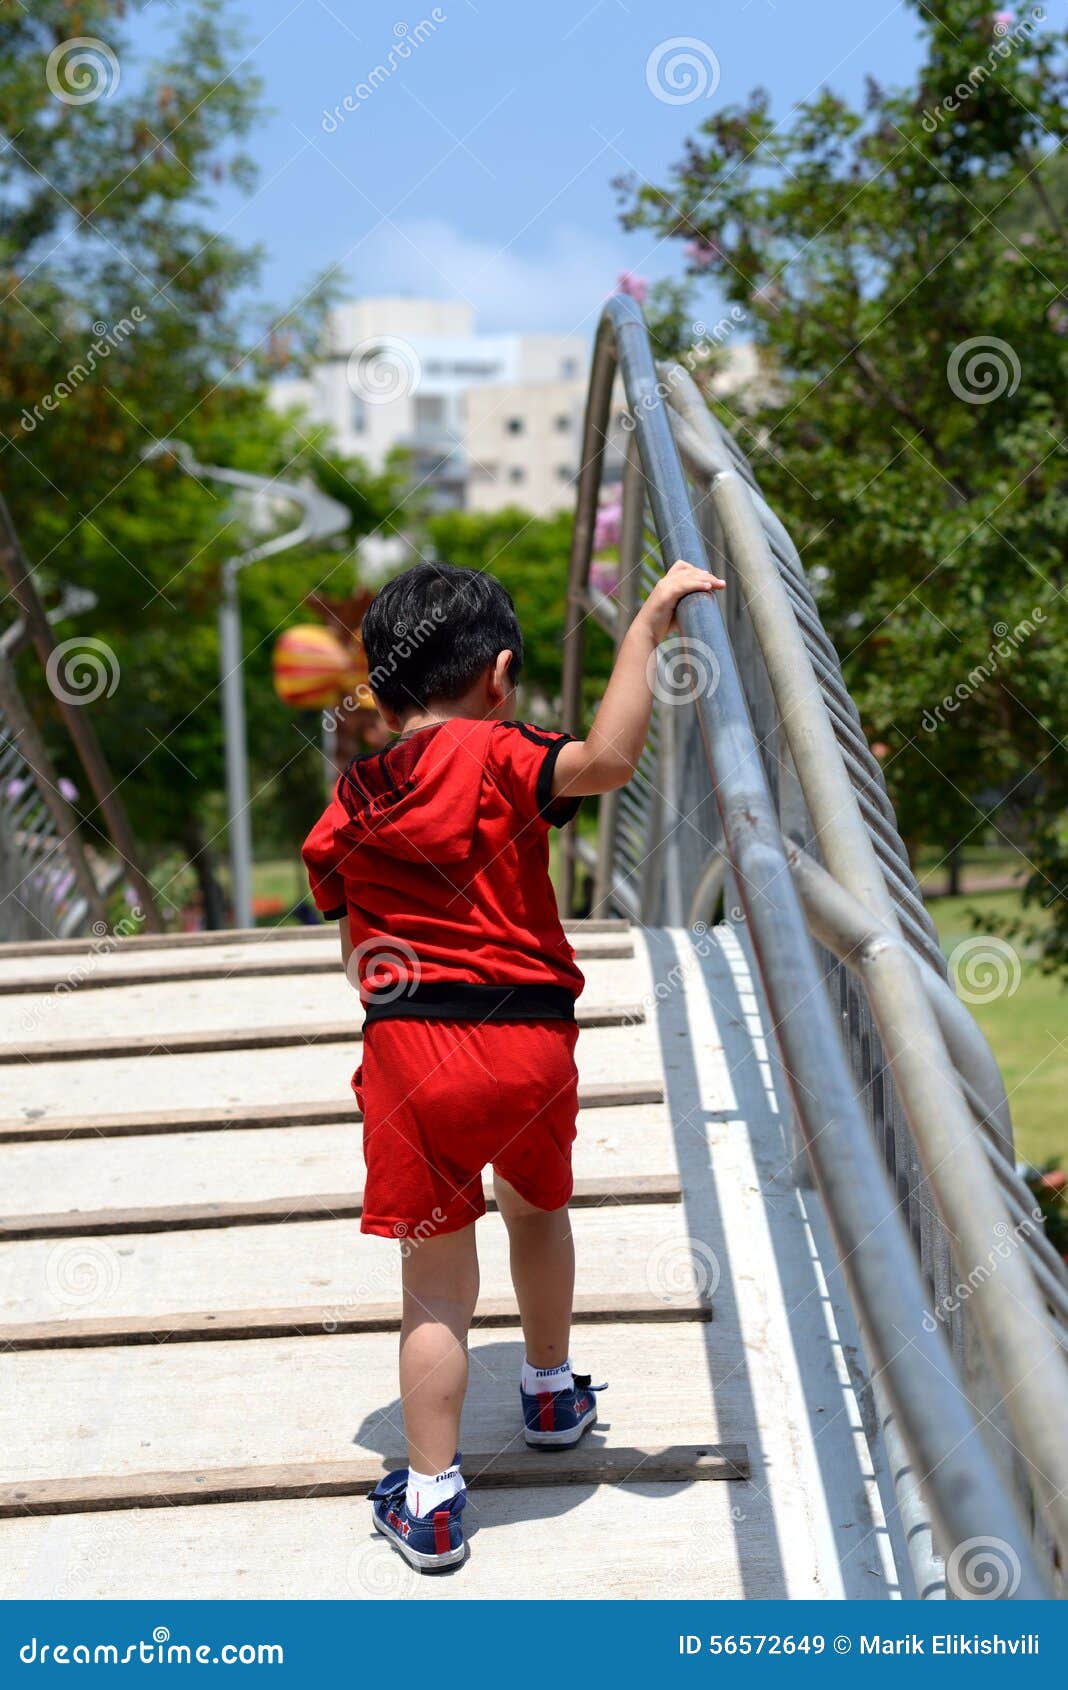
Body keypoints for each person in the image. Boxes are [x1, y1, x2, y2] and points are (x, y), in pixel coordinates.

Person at [301, 555, 723, 1572]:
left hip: (413, 1053)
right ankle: (548, 1389)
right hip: (530, 1040)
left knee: (436, 1286)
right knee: (537, 1208)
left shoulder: (355, 798)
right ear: (498, 675)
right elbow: (610, 759)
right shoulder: (503, 753)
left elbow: (354, 945)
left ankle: (435, 1498)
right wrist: (644, 631)